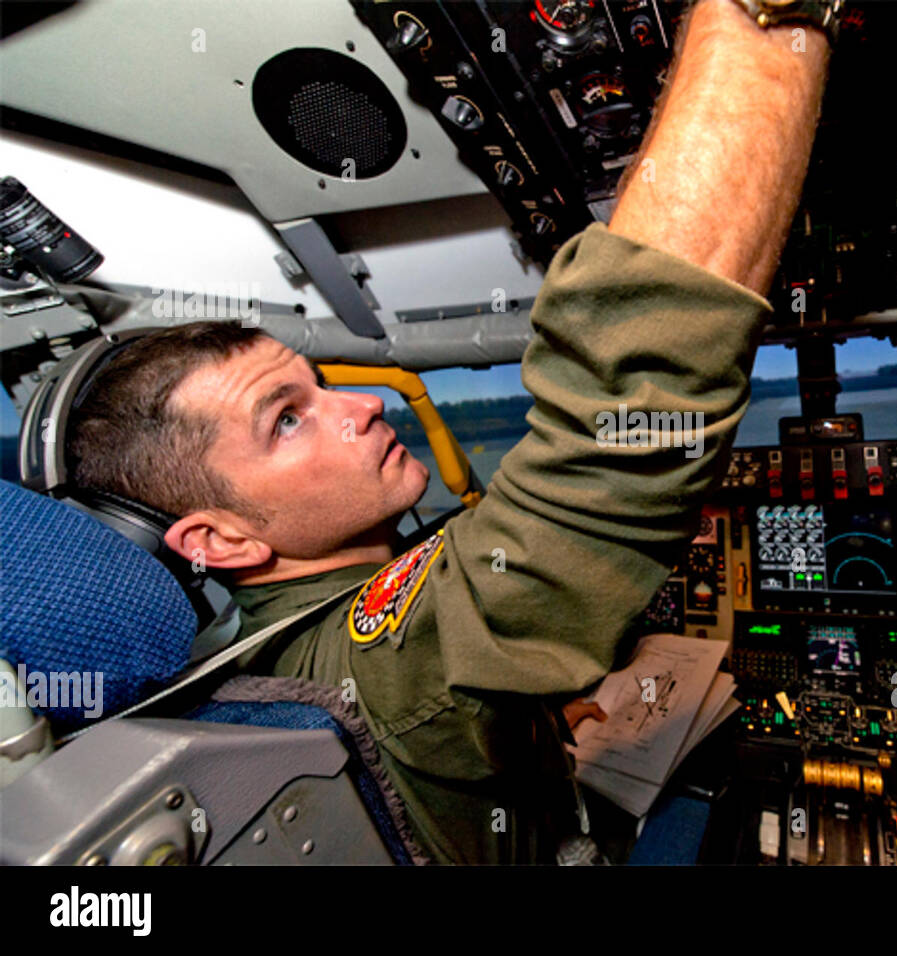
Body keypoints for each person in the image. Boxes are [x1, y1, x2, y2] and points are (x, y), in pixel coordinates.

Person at [66, 0, 832, 863]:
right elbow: (613, 441)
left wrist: (526, 715)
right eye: (286, 420)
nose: (362, 407)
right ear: (221, 539)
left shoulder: (290, 648)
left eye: (319, 386)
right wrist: (766, 29)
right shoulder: (367, 669)